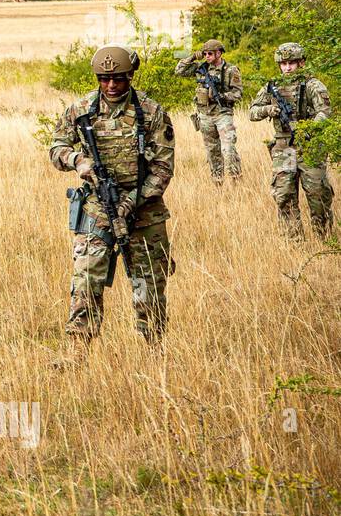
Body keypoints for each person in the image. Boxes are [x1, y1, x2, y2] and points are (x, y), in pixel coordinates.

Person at [48, 44, 175, 344]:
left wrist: (132, 201)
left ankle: (154, 351)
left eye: (118, 78)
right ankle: (76, 353)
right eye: (104, 79)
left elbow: (163, 169)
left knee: (149, 289)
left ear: (130, 75)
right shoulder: (81, 110)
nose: (111, 85)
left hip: (144, 211)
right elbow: (56, 148)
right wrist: (76, 160)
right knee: (85, 282)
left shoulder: (151, 112)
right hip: (96, 209)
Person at [248, 42, 334, 238]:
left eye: (291, 63)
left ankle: (325, 239)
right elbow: (251, 112)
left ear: (301, 63)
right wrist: (268, 110)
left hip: (310, 145)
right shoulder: (272, 86)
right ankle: (293, 241)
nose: (287, 68)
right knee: (284, 194)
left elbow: (325, 112)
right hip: (283, 147)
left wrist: (308, 128)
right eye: (283, 63)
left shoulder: (313, 85)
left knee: (317, 194)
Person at [175, 38, 243, 182]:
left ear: (219, 53)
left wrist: (221, 96)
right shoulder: (201, 68)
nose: (207, 56)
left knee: (228, 148)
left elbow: (238, 94)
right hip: (205, 114)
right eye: (205, 53)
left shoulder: (231, 70)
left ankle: (236, 180)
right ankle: (217, 182)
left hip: (222, 113)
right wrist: (193, 56)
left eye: (210, 53)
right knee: (212, 151)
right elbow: (179, 71)